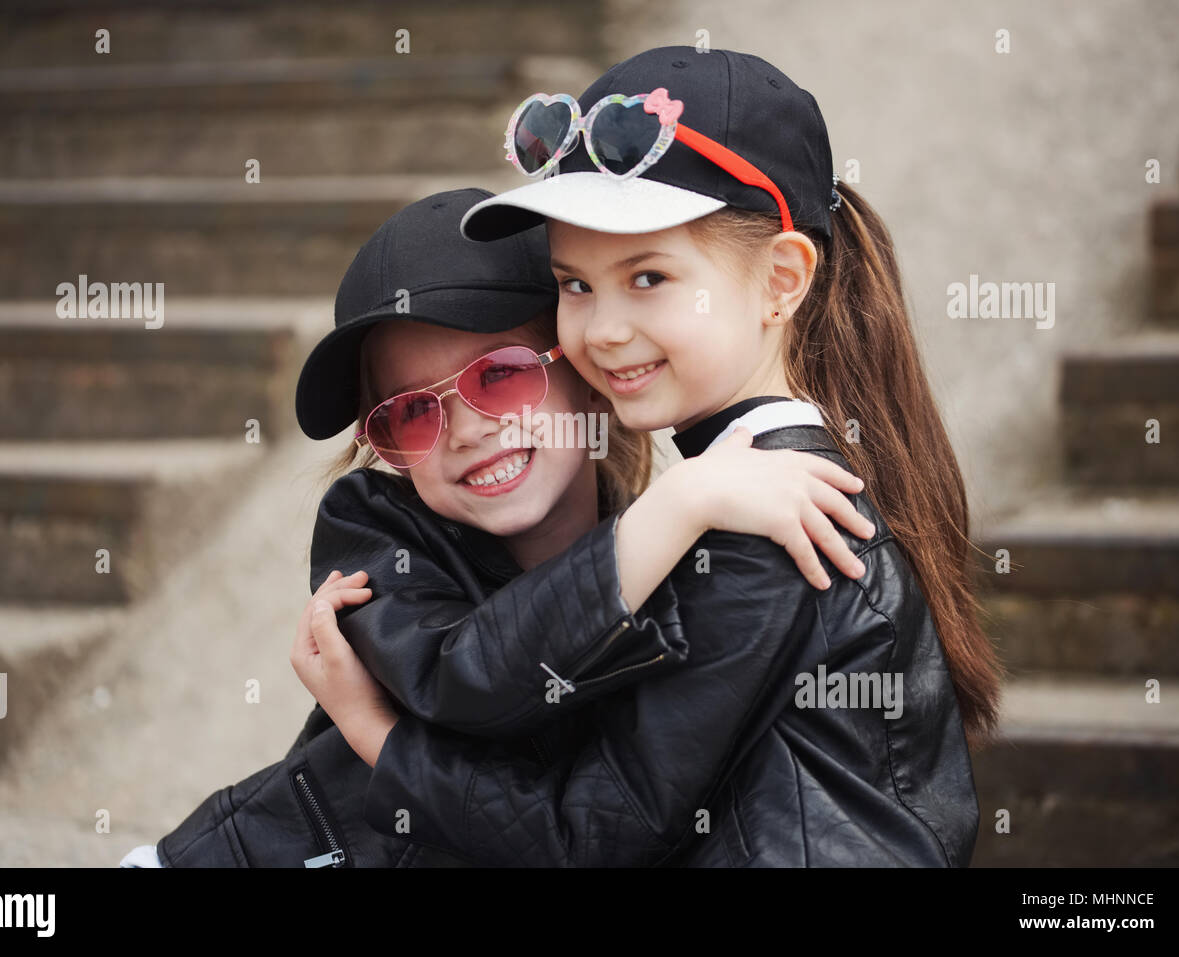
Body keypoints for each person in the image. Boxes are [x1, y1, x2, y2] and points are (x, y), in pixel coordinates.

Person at [308, 46, 1002, 866]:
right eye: (573, 284)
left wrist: (376, 733)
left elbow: (586, 839)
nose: (602, 330)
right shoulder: (748, 481)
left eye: (647, 279)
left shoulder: (760, 519)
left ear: (782, 281)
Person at [127, 187, 871, 867]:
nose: (467, 430)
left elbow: (583, 832)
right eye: (412, 412)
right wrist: (681, 500)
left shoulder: (677, 559)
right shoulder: (375, 532)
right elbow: (473, 674)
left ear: (585, 367)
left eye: (501, 374)